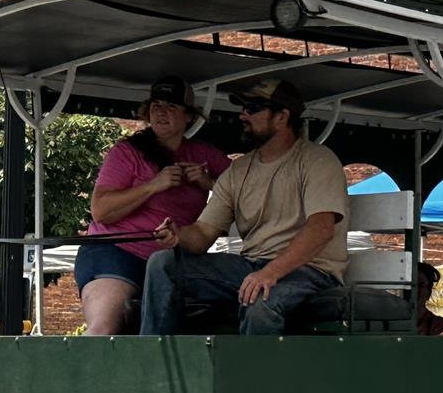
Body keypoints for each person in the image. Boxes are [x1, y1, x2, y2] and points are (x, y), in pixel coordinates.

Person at [138, 76, 349, 336]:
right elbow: (204, 233)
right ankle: (156, 367)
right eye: (243, 108)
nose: (242, 115)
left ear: (282, 117)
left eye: (253, 109)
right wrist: (177, 235)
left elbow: (321, 229)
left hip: (312, 273)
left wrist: (270, 273)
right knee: (163, 264)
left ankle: (252, 377)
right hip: (252, 268)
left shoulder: (318, 160)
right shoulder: (238, 170)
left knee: (259, 299)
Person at [76, 76, 232, 334]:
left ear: (189, 117)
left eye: (171, 106)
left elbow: (246, 188)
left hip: (173, 262)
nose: (161, 112)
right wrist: (152, 186)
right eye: (156, 105)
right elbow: (101, 211)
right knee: (104, 328)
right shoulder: (127, 152)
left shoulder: (203, 155)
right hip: (116, 253)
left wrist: (209, 182)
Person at [416, 262, 443, 335]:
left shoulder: (439, 325)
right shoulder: (390, 321)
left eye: (421, 285)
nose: (416, 290)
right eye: (412, 285)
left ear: (429, 291)